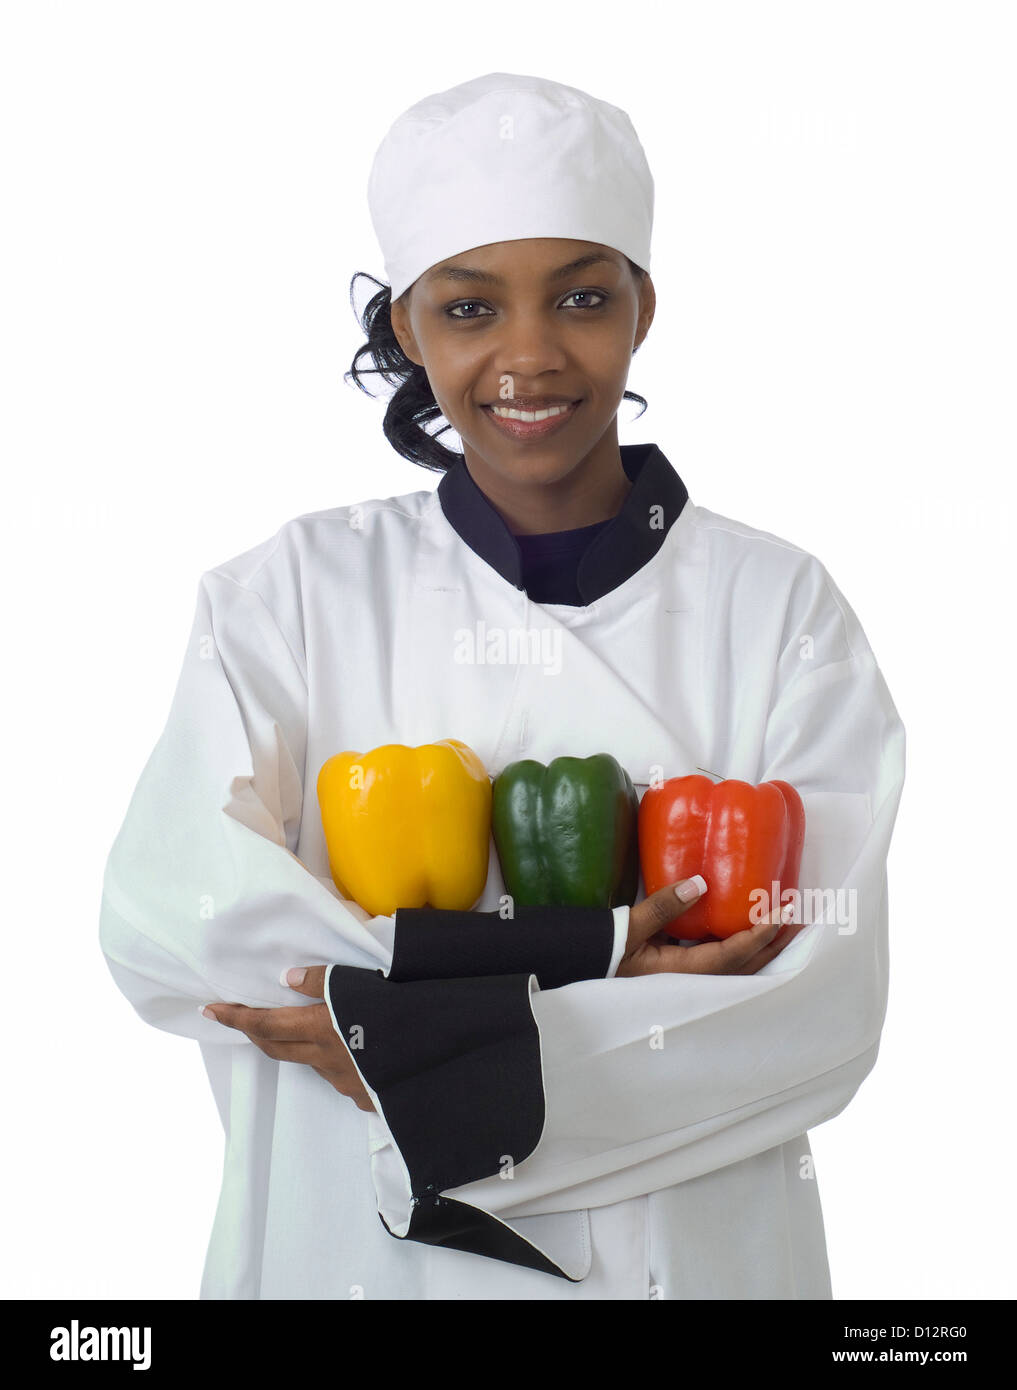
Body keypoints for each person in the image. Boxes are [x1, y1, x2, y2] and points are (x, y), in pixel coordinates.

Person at [98, 71, 906, 1300]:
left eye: (582, 296)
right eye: (471, 307)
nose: (529, 354)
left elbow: (815, 1014)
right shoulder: (287, 599)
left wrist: (398, 1035)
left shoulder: (780, 610)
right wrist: (603, 965)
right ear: (412, 331)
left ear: (643, 308)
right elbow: (183, 920)